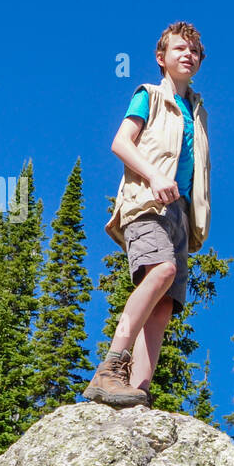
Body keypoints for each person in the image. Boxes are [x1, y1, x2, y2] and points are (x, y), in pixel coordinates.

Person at [83, 21, 212, 407]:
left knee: (166, 305)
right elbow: (121, 143)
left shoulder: (198, 111)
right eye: (179, 49)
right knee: (162, 271)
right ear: (161, 57)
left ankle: (137, 392)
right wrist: (154, 175)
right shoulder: (149, 96)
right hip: (146, 203)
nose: (187, 55)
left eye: (194, 51)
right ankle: (110, 369)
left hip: (181, 215)